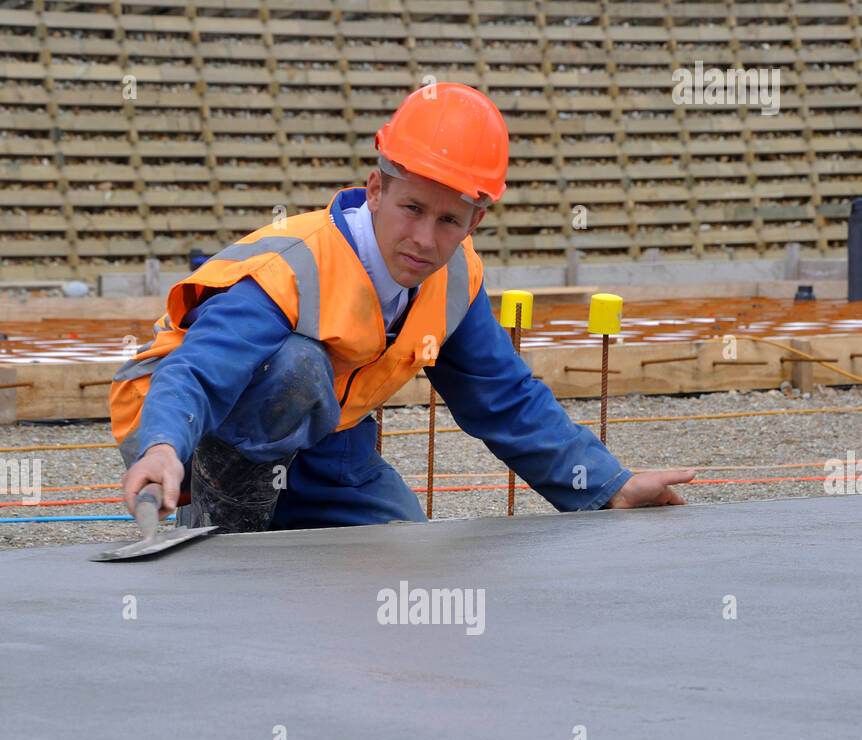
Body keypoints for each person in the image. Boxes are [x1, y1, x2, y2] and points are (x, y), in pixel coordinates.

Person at [111, 83, 693, 530]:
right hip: (188, 430)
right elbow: (197, 371)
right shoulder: (295, 266)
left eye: (448, 221)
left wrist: (609, 486)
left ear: (475, 222)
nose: (423, 238)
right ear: (376, 189)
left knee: (404, 552)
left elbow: (505, 398)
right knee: (295, 367)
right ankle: (222, 518)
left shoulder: (455, 277)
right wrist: (165, 447)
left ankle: (283, 510)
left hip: (325, 443)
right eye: (411, 208)